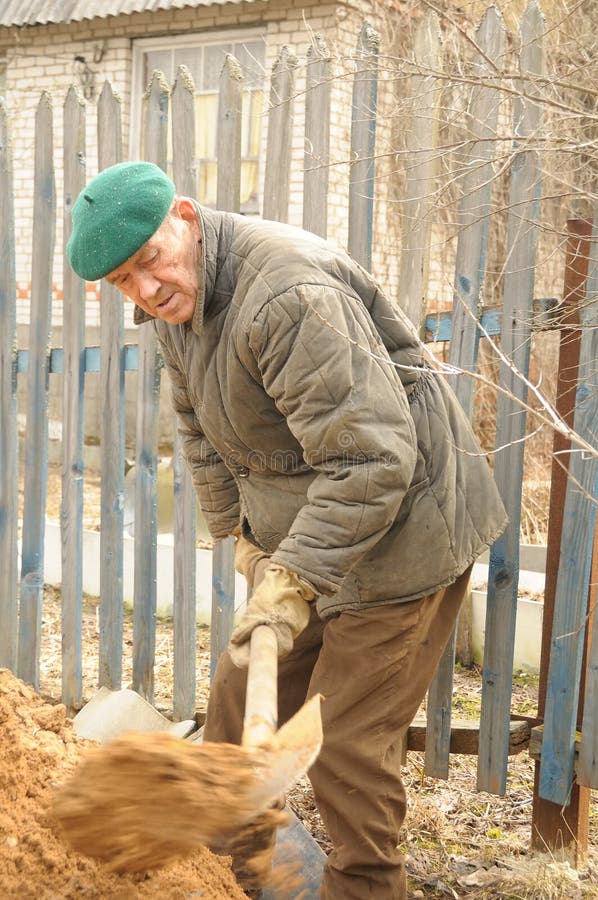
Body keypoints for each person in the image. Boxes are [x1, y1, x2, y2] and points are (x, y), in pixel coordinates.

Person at [67, 160, 507, 899]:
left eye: (148, 260)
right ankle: (235, 878)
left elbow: (372, 457)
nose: (144, 290)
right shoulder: (177, 309)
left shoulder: (287, 295)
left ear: (184, 215)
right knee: (236, 712)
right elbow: (199, 434)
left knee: (345, 750)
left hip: (406, 536)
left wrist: (293, 575)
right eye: (122, 282)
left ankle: (365, 886)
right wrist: (241, 535)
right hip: (315, 530)